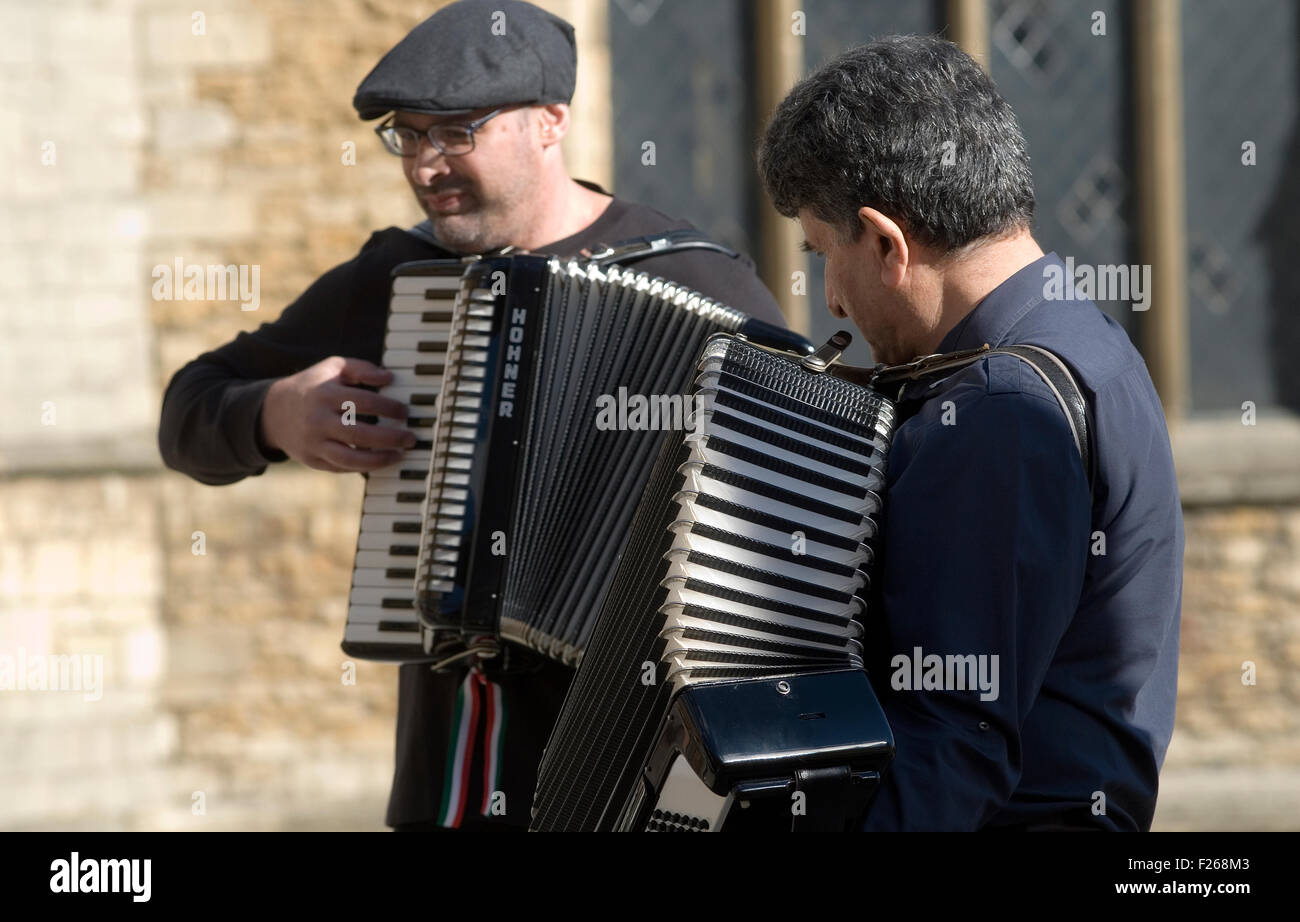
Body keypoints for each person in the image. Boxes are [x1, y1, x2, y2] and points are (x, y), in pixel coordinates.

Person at [157, 0, 785, 831]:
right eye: (408, 136)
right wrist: (275, 413)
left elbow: (785, 523)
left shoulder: (707, 286)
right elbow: (187, 409)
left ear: (550, 122)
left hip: (640, 768)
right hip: (454, 762)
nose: (424, 165)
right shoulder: (400, 275)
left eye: (457, 132)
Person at [758, 35, 1183, 831]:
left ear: (888, 245)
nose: (833, 304)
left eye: (823, 254)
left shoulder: (997, 405)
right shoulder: (1079, 333)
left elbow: (949, 745)